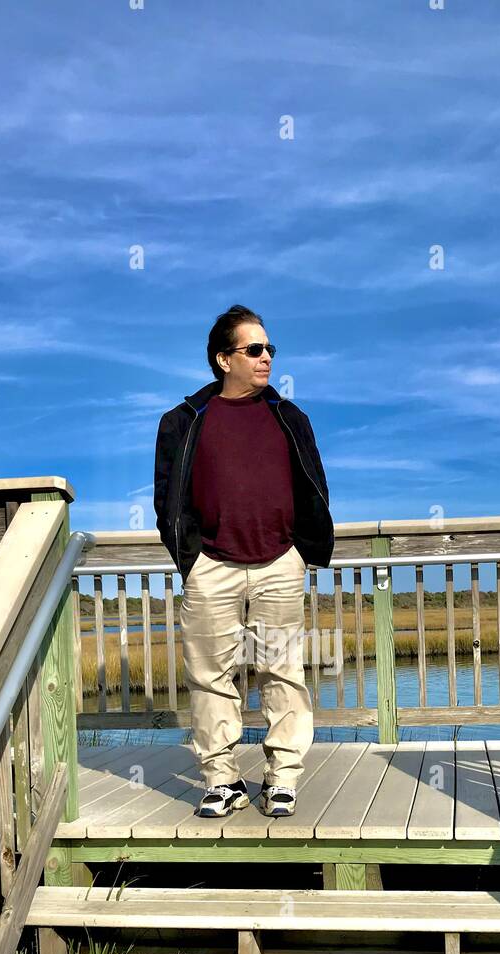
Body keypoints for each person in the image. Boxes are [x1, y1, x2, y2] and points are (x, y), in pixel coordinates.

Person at [154, 305, 334, 817]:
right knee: (211, 676)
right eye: (254, 349)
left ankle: (282, 778)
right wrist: (190, 558)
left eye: (269, 349)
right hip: (211, 565)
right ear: (222, 358)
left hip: (280, 562)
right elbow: (167, 497)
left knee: (283, 671)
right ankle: (222, 780)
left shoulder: (290, 417)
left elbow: (315, 484)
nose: (266, 358)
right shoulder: (184, 421)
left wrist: (302, 548)